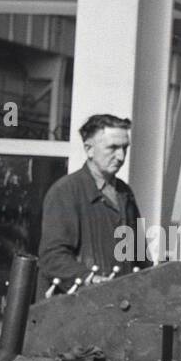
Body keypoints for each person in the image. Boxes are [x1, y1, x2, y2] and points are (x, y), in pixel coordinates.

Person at [37, 114, 143, 288]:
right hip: (80, 307)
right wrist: (90, 279)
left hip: (120, 304)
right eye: (113, 148)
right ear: (89, 149)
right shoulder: (65, 191)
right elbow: (52, 257)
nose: (121, 156)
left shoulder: (125, 193)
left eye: (125, 148)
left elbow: (139, 256)